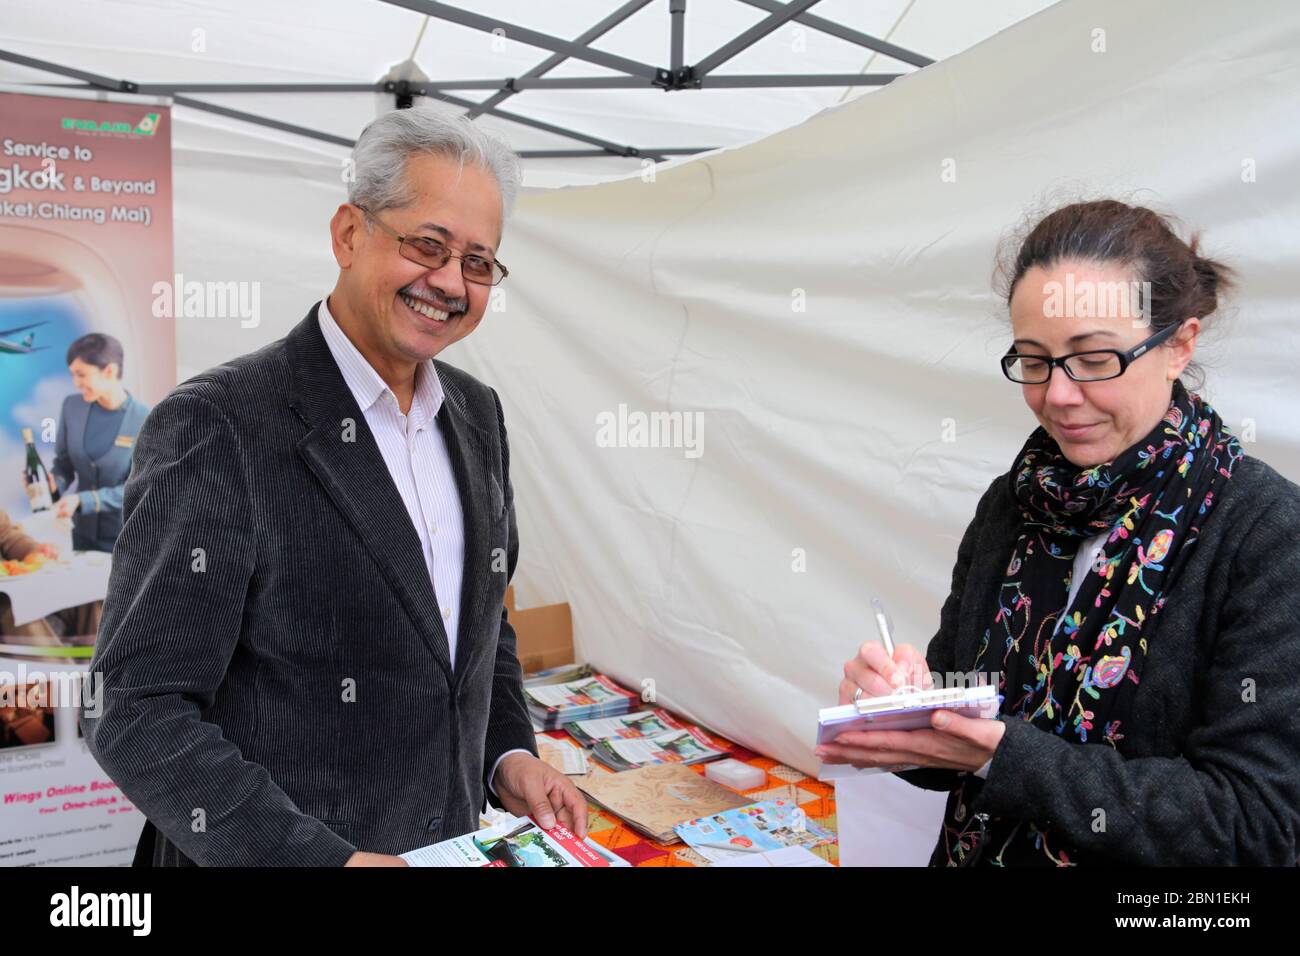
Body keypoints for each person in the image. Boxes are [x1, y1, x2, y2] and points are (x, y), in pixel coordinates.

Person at [80, 105, 586, 867]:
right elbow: (133, 707)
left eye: (478, 262)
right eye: (427, 245)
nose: (450, 282)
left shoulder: (477, 414)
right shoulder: (219, 425)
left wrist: (506, 756)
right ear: (349, 234)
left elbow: (480, 627)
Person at [821, 200, 1300, 865]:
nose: (1058, 396)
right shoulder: (1016, 502)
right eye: (1034, 361)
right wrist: (905, 709)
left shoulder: (1265, 534)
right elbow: (961, 735)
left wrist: (1002, 756)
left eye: (1094, 359)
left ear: (1179, 345)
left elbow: (1257, 827)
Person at [50, 333, 150, 554]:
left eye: (81, 374)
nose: (75, 383)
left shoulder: (145, 419)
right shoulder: (72, 407)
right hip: (81, 535)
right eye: (73, 374)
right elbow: (63, 464)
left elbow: (140, 487)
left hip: (125, 539)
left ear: (109, 371)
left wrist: (84, 500)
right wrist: (54, 484)